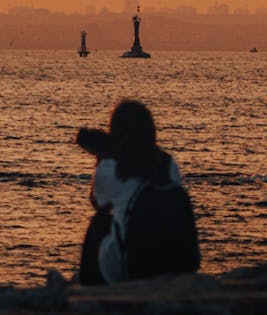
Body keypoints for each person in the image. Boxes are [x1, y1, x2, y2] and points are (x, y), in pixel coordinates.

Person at [77, 99, 199, 284]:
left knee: (99, 221)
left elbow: (96, 201)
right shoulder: (167, 163)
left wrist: (102, 155)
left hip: (135, 271)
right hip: (179, 267)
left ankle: (90, 294)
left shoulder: (111, 168)